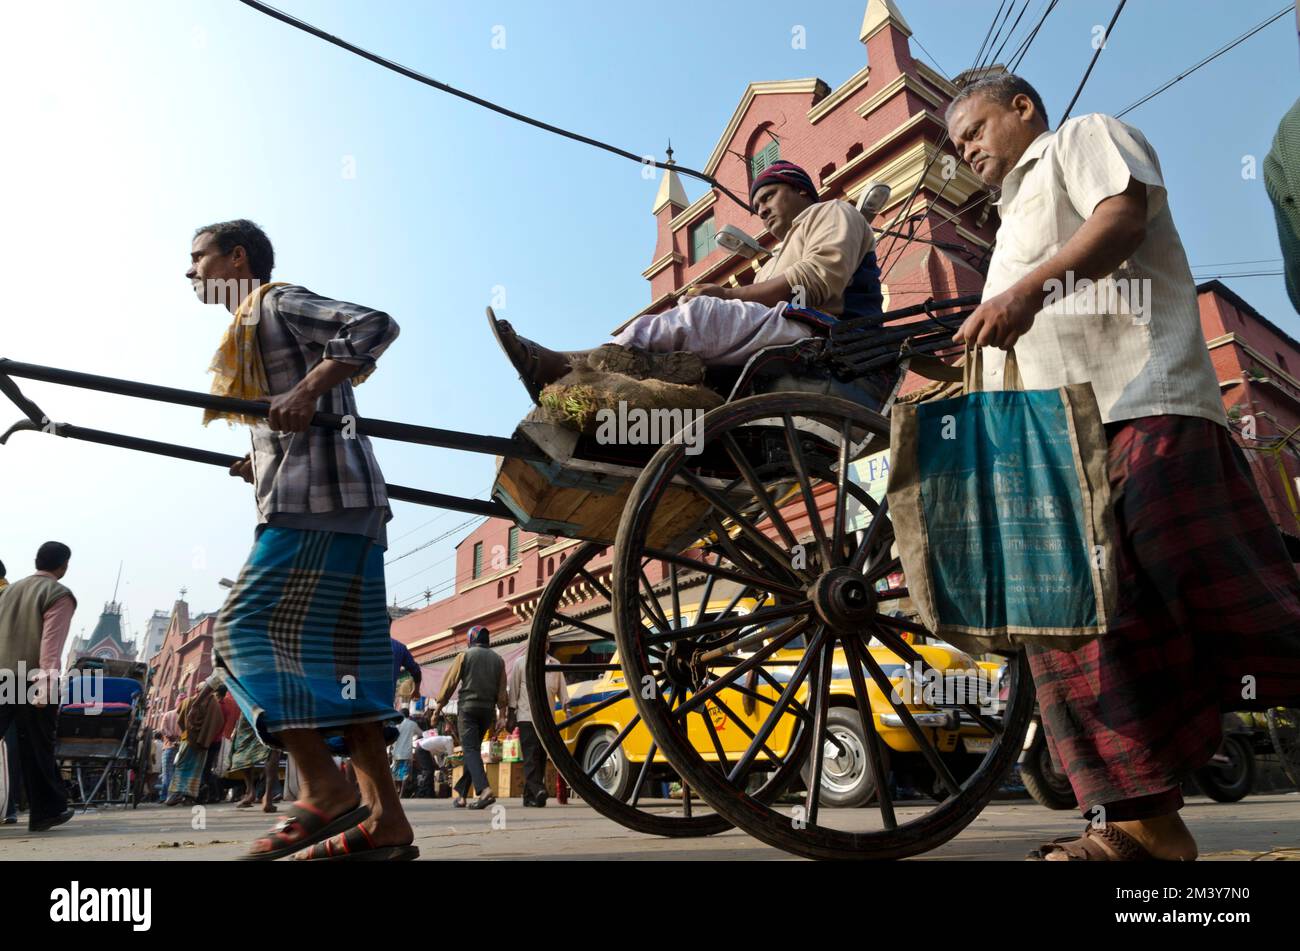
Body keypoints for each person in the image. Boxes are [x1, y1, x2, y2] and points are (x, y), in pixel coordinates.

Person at [944, 73, 1300, 861]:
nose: (964, 151)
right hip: (1055, 445)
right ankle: (1143, 830)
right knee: (1078, 634)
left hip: (1141, 398)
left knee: (1213, 585)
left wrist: (1028, 293)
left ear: (1022, 109)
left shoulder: (1081, 138)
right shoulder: (1002, 232)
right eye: (956, 145)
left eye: (972, 131)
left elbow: (1122, 218)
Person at [192, 218, 416, 861]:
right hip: (339, 502)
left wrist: (309, 387)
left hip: (320, 505)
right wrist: (258, 459)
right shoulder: (246, 332)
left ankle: (323, 787)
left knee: (237, 632)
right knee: (344, 669)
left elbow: (375, 323)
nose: (190, 272)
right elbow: (291, 418)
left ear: (237, 258)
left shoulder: (278, 302)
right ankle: (387, 824)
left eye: (198, 258)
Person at [488, 161, 882, 401]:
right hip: (784, 332)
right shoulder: (773, 257)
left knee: (703, 313)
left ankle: (571, 363)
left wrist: (728, 294)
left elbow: (813, 281)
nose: (761, 210)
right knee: (684, 334)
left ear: (800, 190)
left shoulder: (833, 212)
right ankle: (596, 367)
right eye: (757, 206)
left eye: (770, 196)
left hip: (821, 336)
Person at [0, 542, 77, 832]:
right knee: (37, 746)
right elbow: (50, 644)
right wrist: (46, 685)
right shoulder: (58, 594)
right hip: (32, 679)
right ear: (64, 565)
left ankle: (48, 810)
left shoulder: (8, 592)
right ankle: (46, 812)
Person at [432, 626, 507, 809]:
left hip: (468, 709)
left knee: (470, 750)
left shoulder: (464, 656)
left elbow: (450, 684)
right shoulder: (498, 660)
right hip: (487, 712)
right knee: (471, 750)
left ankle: (484, 789)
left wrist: (437, 710)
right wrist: (502, 714)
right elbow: (502, 690)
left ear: (470, 639)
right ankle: (462, 795)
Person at [507, 651, 567, 807]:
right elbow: (514, 689)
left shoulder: (555, 664)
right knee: (530, 755)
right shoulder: (520, 663)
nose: (544, 643)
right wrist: (511, 713)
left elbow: (562, 690)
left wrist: (567, 708)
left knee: (540, 756)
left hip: (546, 718)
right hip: (526, 716)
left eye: (547, 641)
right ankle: (538, 789)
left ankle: (529, 796)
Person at [166, 677, 224, 806]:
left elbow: (180, 720)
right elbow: (218, 723)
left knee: (181, 766)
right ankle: (189, 796)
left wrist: (187, 732)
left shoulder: (187, 702)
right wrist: (206, 735)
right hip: (202, 743)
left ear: (197, 690)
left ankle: (176, 794)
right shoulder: (214, 705)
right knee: (196, 769)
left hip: (187, 740)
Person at [390, 712, 421, 797]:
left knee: (395, 774)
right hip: (406, 753)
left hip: (397, 753)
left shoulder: (397, 724)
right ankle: (401, 793)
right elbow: (420, 733)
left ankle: (395, 792)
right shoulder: (412, 724)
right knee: (405, 774)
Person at [158, 699, 182, 802]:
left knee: (167, 773)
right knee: (176, 772)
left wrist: (171, 736)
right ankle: (169, 796)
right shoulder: (185, 716)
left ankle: (166, 796)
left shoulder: (168, 714)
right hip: (181, 747)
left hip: (168, 746)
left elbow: (163, 729)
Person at [391, 637, 422, 708]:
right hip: (386, 707)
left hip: (361, 705)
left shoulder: (361, 643)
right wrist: (416, 690)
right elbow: (416, 671)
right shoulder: (399, 647)